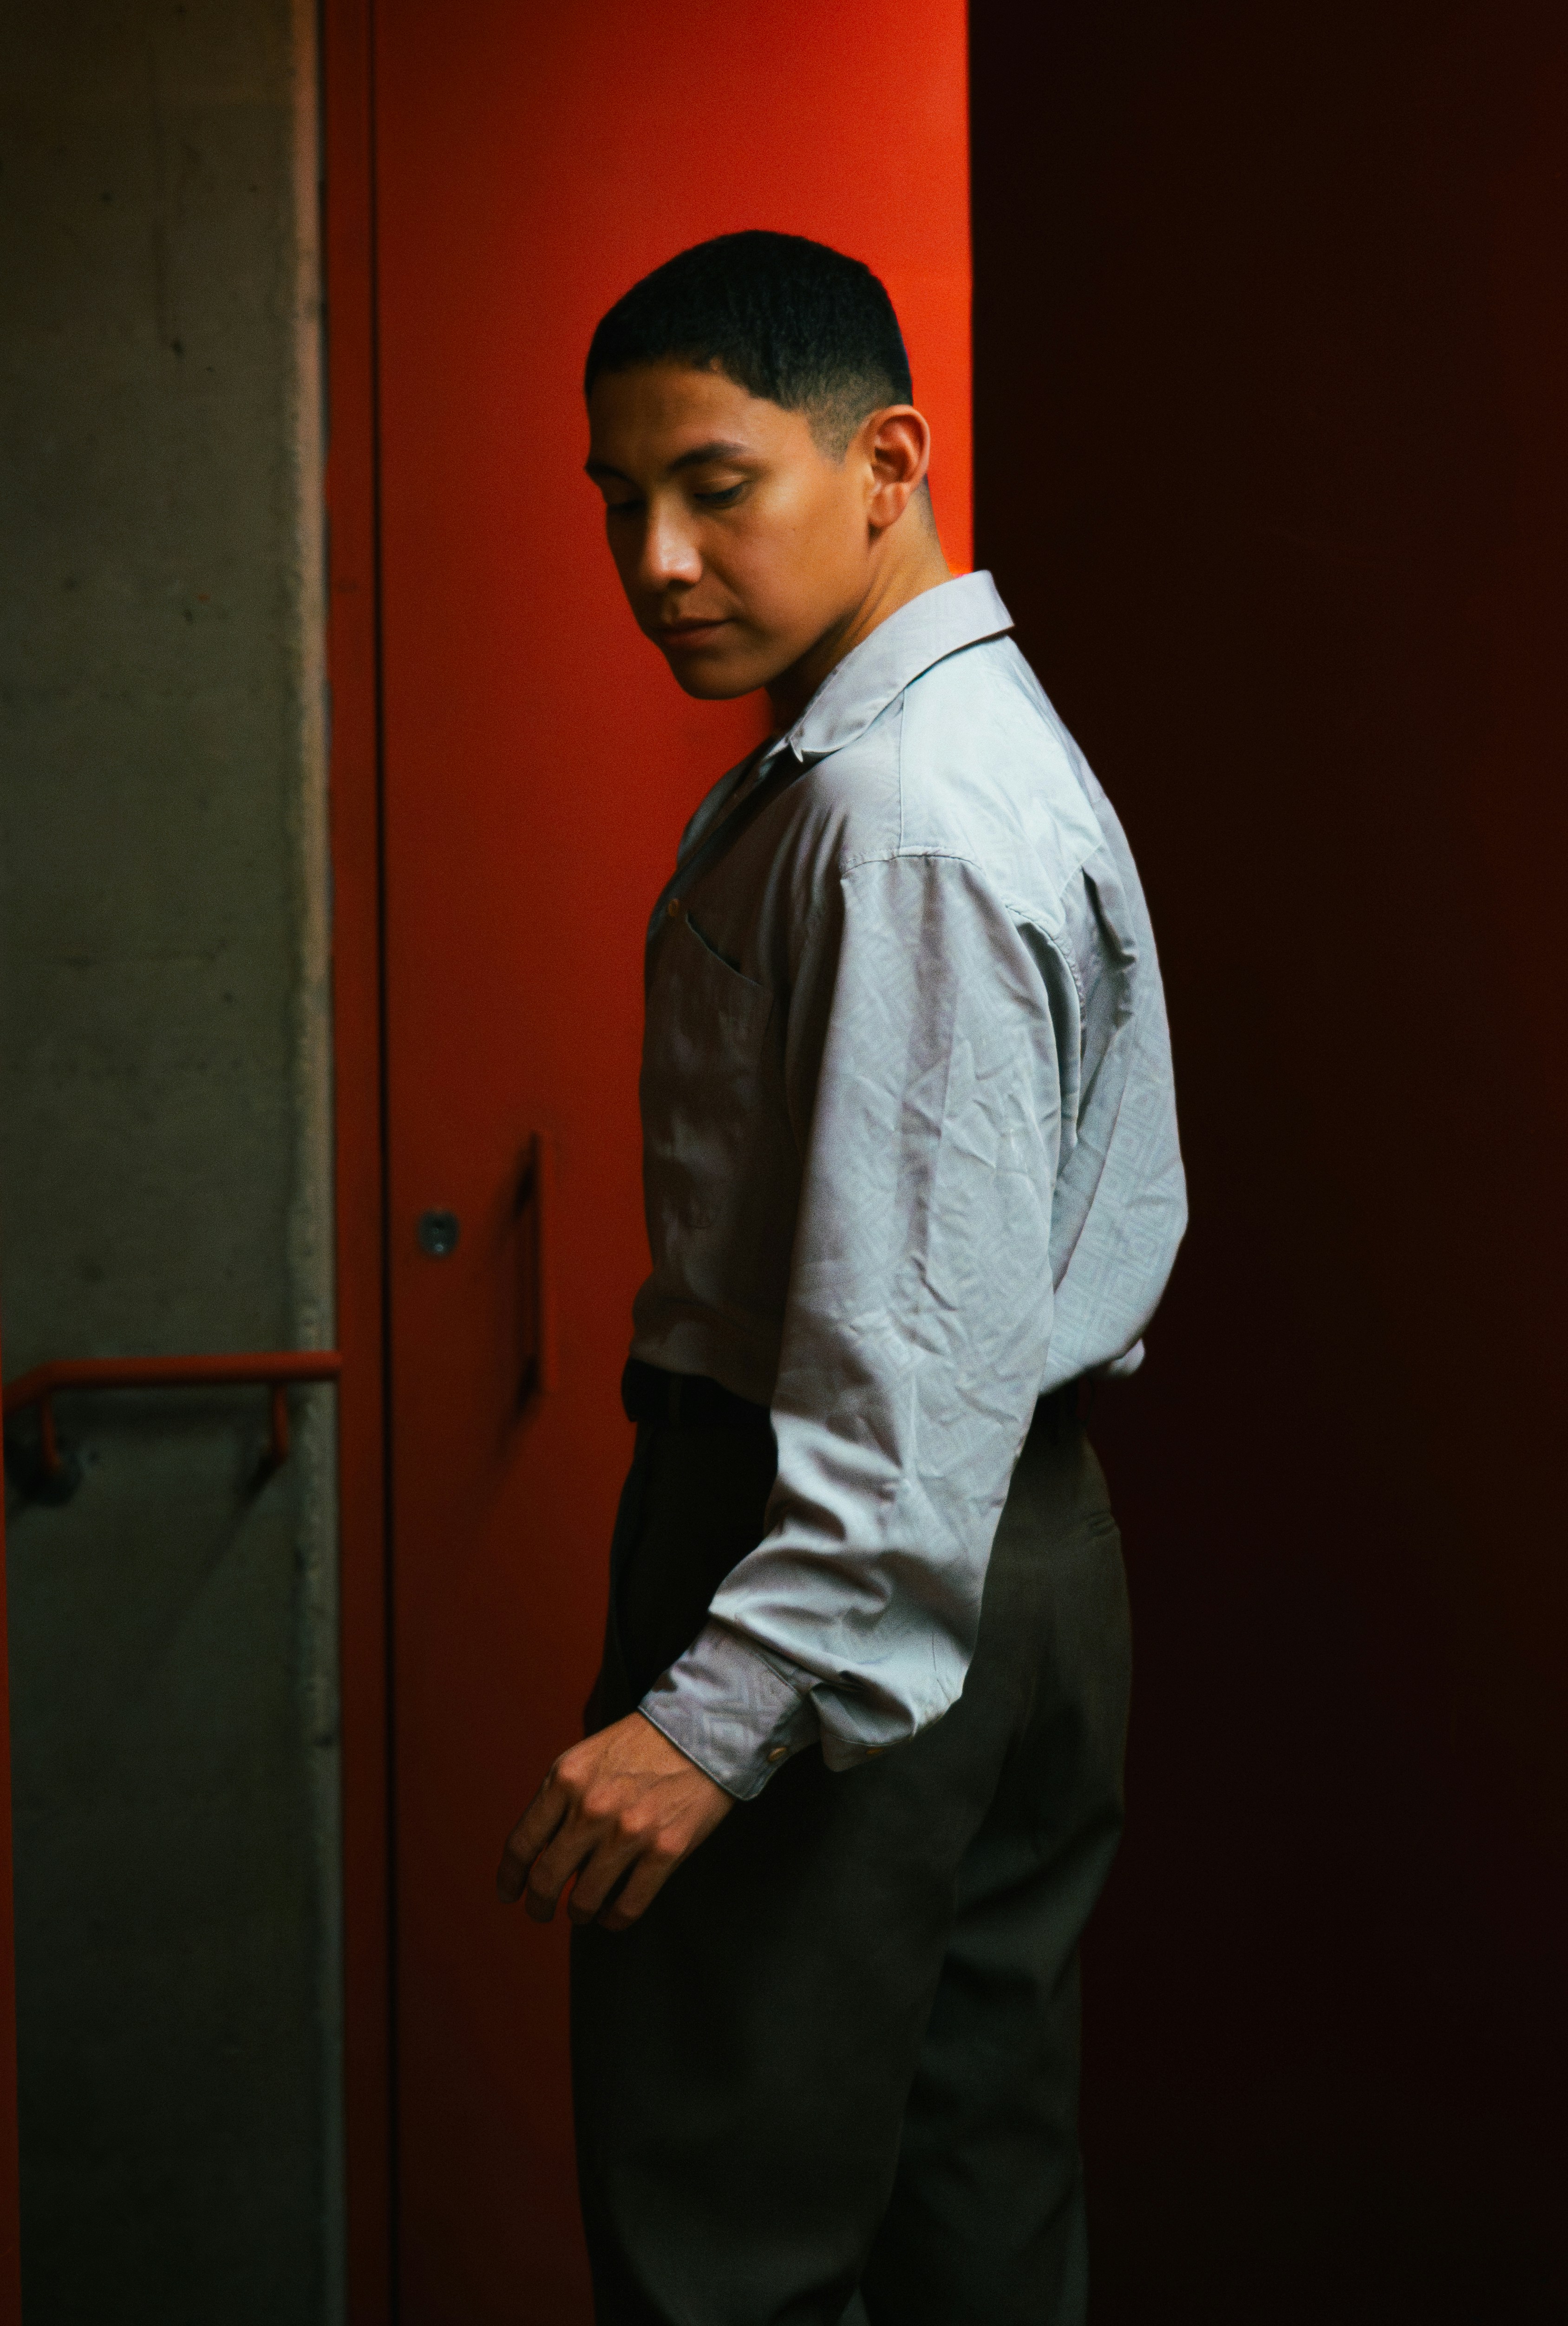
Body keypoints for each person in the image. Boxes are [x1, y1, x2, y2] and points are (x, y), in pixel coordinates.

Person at [497, 230, 1186, 2325]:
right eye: (619, 501)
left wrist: (712, 1717)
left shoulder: (904, 817)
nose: (656, 558)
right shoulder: (912, 756)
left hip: (845, 1549)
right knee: (970, 2206)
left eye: (717, 486)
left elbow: (905, 1365)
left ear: (885, 460)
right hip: (1006, 1542)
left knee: (732, 2242)